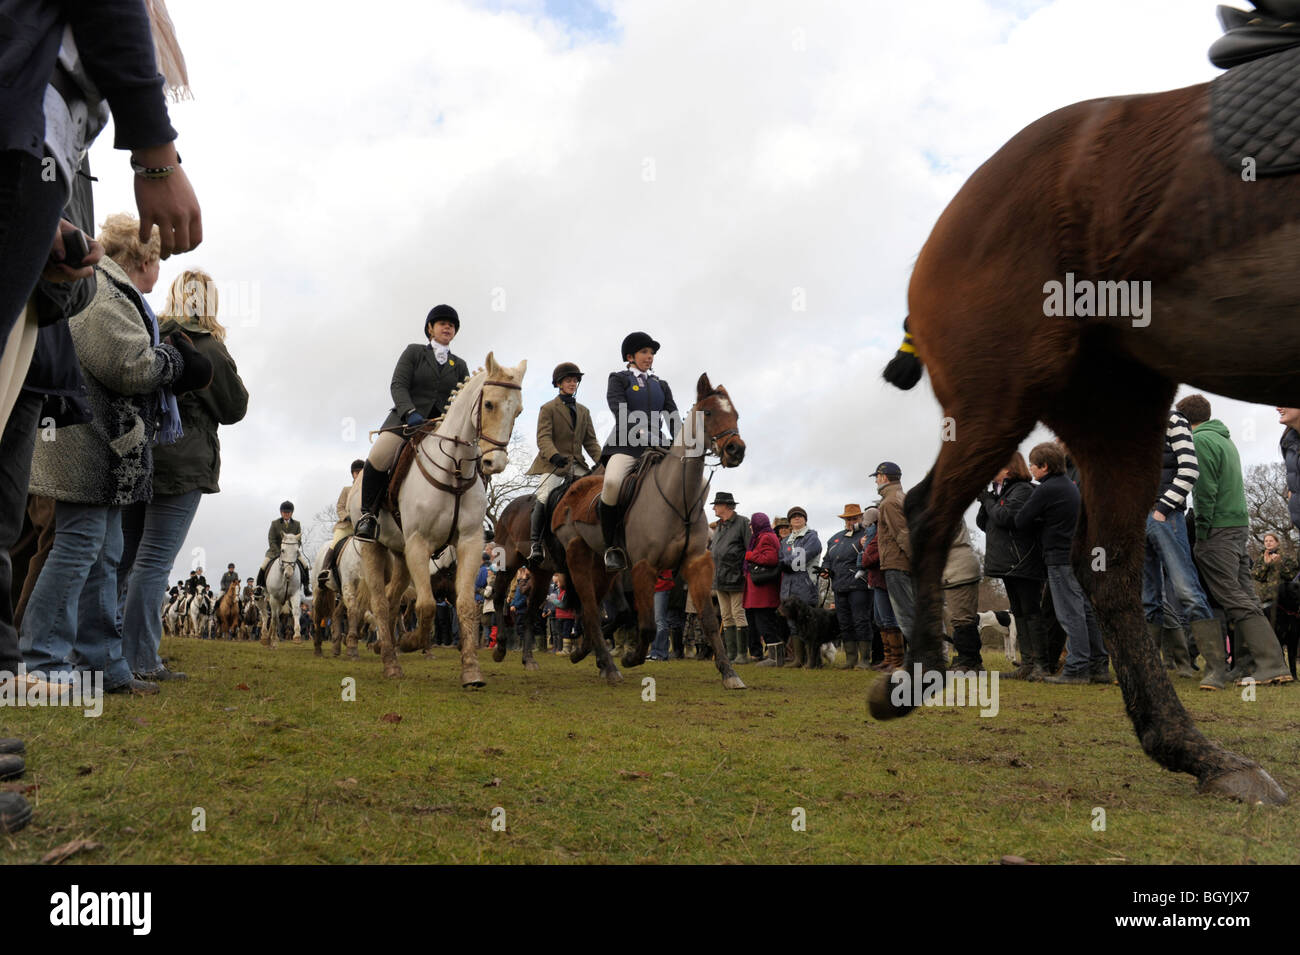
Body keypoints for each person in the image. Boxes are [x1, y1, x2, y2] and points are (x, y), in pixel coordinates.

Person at [20, 212, 210, 695]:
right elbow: (127, 366)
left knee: (105, 553)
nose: (159, 271)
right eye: (158, 260)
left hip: (103, 447)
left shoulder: (112, 288)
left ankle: (101, 665)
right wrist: (175, 360)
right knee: (79, 548)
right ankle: (39, 662)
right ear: (142, 257)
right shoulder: (105, 291)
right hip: (86, 446)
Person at [119, 266, 246, 680]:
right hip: (184, 462)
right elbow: (235, 408)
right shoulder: (208, 347)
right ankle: (141, 659)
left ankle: (109, 652)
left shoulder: (148, 330)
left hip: (138, 455)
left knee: (125, 559)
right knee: (155, 562)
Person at [1177, 394, 1293, 685]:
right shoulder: (1224, 439)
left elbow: (1204, 493)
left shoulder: (1200, 441)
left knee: (1233, 596)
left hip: (1218, 529)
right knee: (1245, 595)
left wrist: (1201, 535)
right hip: (1238, 525)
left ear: (1183, 421)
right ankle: (1247, 664)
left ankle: (1271, 664)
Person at [355, 305, 469, 541]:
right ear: (430, 328)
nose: (447, 327)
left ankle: (469, 518)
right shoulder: (414, 352)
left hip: (442, 427)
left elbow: (463, 399)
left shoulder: (459, 365)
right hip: (406, 421)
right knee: (379, 455)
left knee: (471, 459)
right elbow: (398, 384)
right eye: (442, 323)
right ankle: (368, 516)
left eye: (451, 325)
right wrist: (410, 411)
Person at [1014, 442, 1109, 685]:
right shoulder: (1068, 485)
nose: (1031, 470)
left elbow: (1021, 519)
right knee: (1086, 610)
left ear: (1044, 466)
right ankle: (1098, 665)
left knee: (1070, 613)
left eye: (1033, 466)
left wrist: (1039, 519)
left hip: (1059, 558)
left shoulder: (1047, 489)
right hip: (1078, 555)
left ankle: (1077, 668)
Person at [598, 332, 678, 571]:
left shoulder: (661, 384)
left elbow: (672, 416)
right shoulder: (619, 379)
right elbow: (619, 410)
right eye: (644, 352)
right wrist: (640, 432)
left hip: (658, 447)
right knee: (612, 483)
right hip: (626, 444)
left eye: (652, 353)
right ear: (630, 356)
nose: (650, 357)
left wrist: (685, 442)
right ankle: (612, 546)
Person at [977, 452, 1048, 679]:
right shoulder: (1004, 492)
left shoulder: (1023, 490)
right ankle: (1027, 664)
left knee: (1031, 611)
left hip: (1024, 560)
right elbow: (984, 523)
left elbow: (1006, 517)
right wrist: (986, 499)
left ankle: (1040, 664)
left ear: (1008, 469)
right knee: (1018, 611)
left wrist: (989, 501)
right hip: (1008, 562)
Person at [526, 362, 602, 565]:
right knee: (544, 495)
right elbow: (543, 438)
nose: (573, 383)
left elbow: (591, 442)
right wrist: (554, 455)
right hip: (554, 465)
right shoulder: (548, 408)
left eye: (575, 380)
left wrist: (604, 460)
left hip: (577, 463)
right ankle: (536, 543)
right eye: (569, 380)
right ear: (559, 383)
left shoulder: (584, 411)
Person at [823, 503, 872, 669]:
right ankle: (851, 659)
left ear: (861, 518)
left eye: (854, 518)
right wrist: (825, 570)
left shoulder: (867, 534)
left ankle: (864, 659)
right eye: (848, 518)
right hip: (839, 585)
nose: (851, 521)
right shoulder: (835, 538)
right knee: (844, 623)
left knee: (861, 621)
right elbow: (827, 559)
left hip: (859, 585)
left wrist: (858, 545)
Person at [873, 462, 916, 644]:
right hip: (901, 563)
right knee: (909, 614)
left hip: (897, 564)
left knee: (905, 617)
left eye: (876, 477)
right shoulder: (901, 497)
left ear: (883, 477)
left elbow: (902, 533)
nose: (875, 481)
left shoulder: (889, 502)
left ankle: (921, 661)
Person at [707, 491, 751, 664]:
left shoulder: (742, 523)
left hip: (736, 577)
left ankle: (742, 654)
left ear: (725, 506)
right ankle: (731, 654)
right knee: (726, 616)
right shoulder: (719, 525)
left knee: (738, 614)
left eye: (716, 505)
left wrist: (743, 571)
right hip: (719, 578)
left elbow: (749, 549)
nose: (714, 508)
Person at [779, 506, 822, 666]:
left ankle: (813, 660)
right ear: (790, 521)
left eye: (800, 516)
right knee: (792, 624)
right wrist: (786, 562)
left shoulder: (812, 538)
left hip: (805, 586)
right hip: (788, 587)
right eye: (794, 516)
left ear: (805, 519)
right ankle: (798, 659)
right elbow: (781, 559)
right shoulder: (785, 541)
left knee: (808, 623)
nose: (797, 518)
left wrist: (785, 563)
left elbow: (800, 559)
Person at [743, 512, 783, 666]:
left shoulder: (766, 537)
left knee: (765, 624)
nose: (751, 527)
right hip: (757, 590)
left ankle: (775, 658)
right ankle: (766, 655)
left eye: (752, 524)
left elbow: (771, 559)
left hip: (763, 590)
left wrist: (750, 555)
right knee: (757, 622)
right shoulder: (761, 536)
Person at [319, 459, 364, 589]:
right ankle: (325, 569)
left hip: (362, 526)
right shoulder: (346, 490)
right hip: (346, 526)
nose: (358, 474)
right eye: (356, 472)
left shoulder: (368, 489)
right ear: (353, 474)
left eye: (361, 472)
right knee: (334, 543)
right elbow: (340, 507)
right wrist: (347, 516)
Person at [256, 502, 311, 595]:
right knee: (263, 566)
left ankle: (306, 586)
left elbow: (299, 540)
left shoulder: (297, 524)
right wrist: (279, 551)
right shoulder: (275, 523)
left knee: (305, 565)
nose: (286, 514)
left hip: (292, 553)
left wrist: (294, 549)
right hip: (275, 551)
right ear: (281, 512)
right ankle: (259, 587)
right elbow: (271, 539)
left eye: (288, 512)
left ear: (291, 513)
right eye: (284, 512)